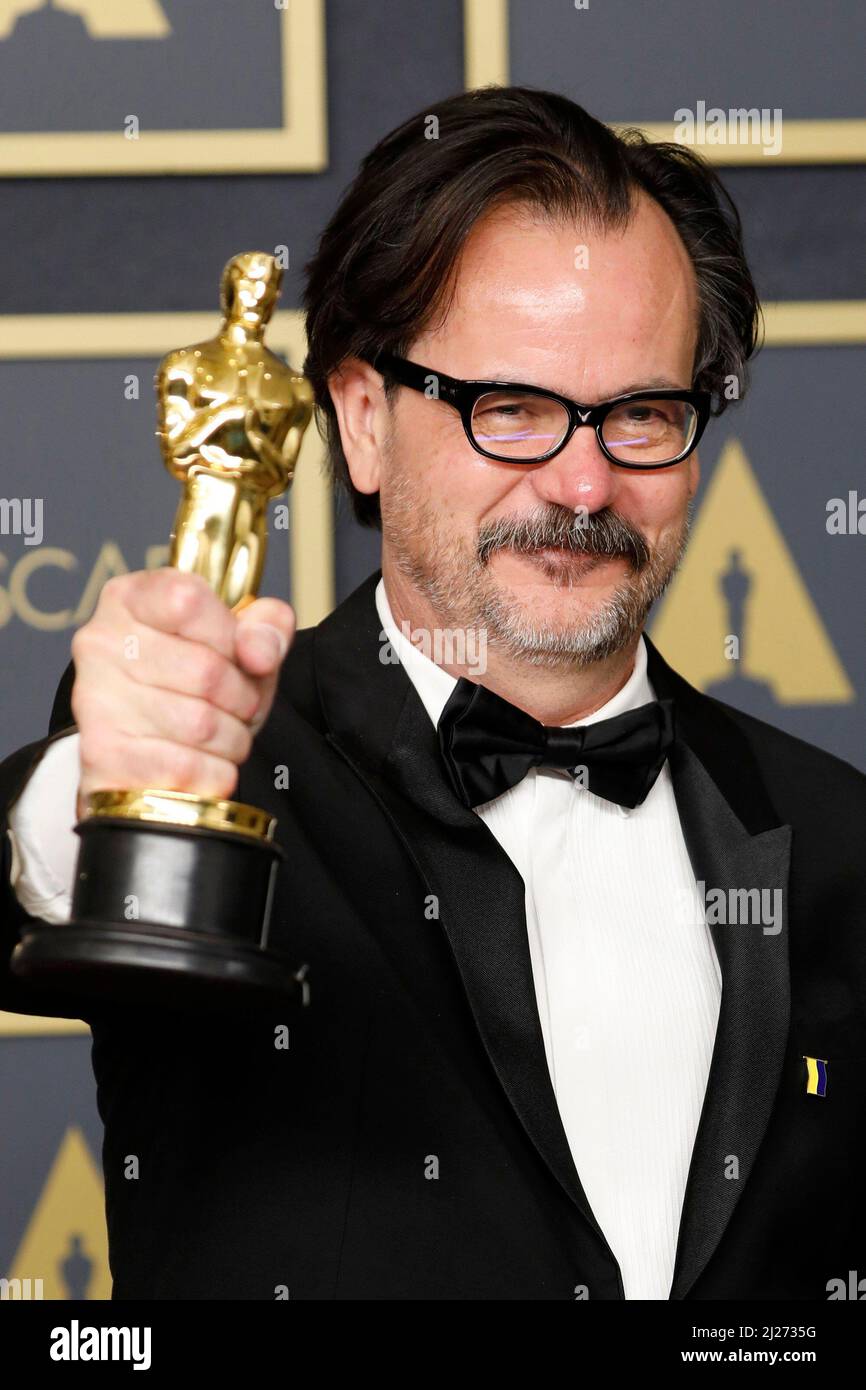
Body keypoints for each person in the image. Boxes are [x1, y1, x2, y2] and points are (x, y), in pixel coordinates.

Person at [1, 86, 864, 1301]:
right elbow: (43, 878)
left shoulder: (833, 835)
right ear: (360, 420)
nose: (579, 482)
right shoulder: (218, 761)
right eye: (506, 408)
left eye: (640, 414)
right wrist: (98, 790)